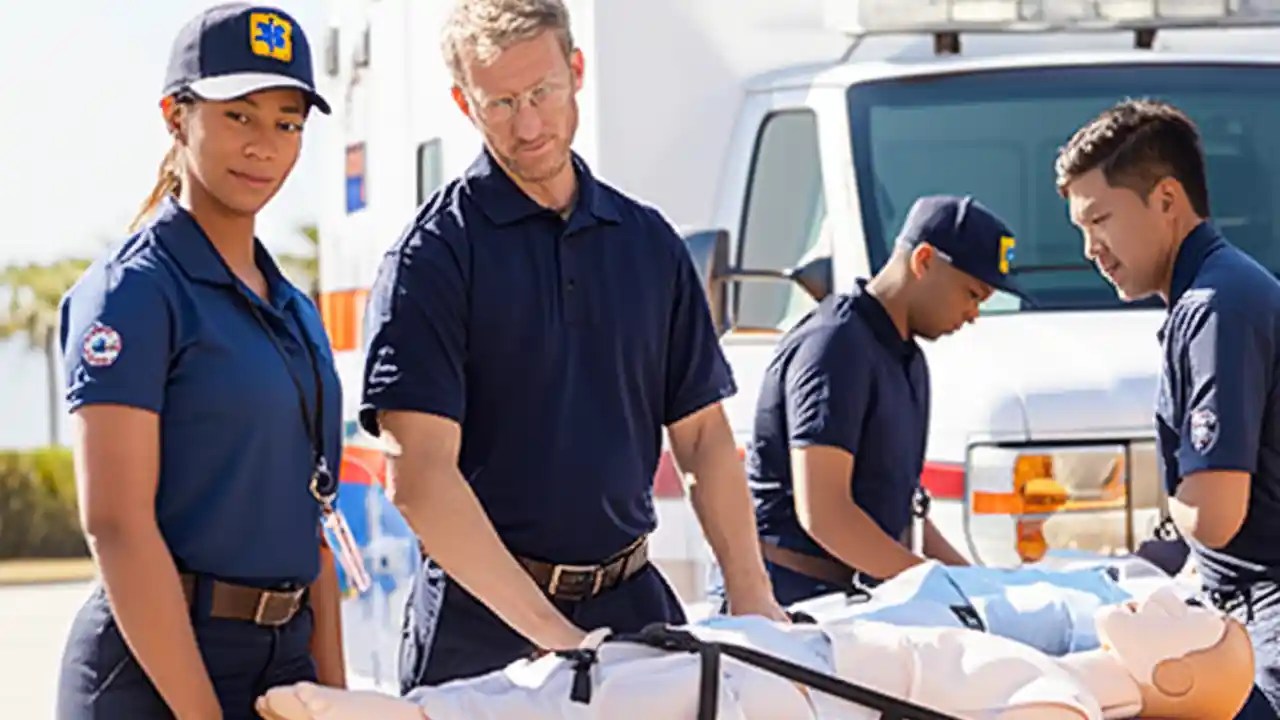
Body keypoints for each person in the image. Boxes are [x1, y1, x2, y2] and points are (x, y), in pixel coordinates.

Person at [357, 0, 784, 694]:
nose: (527, 126)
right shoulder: (432, 258)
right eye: (499, 103)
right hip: (483, 634)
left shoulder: (649, 245)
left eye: (541, 94)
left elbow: (703, 435)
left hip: (633, 612)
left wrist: (754, 597)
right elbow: (421, 479)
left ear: (575, 70)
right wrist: (559, 641)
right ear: (464, 102)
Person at [55, 4, 347, 718]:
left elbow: (313, 527)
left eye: (287, 123)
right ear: (175, 116)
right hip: (158, 672)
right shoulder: (132, 293)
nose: (264, 146)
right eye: (239, 116)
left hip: (283, 661)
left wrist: (337, 697)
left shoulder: (294, 308)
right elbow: (117, 526)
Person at [1056, 98, 1280, 719]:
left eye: (1100, 219)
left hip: (1261, 621)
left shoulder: (1216, 306)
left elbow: (1214, 517)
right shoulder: (1222, 291)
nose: (1091, 249)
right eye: (1080, 229)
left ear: (1166, 200)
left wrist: (1165, 503)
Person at [259, 585, 1257, 720]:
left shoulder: (1065, 697)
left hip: (801, 695)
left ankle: (411, 717)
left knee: (596, 694)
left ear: (1172, 675)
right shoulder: (1067, 671)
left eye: (1188, 617)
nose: (1171, 595)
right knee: (594, 681)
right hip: (803, 662)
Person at [729, 195, 1027, 607]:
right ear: (923, 261)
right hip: (788, 607)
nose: (973, 314)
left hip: (854, 600)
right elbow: (827, 514)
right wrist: (936, 586)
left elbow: (903, 511)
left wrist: (983, 590)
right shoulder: (835, 345)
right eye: (972, 294)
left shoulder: (907, 359)